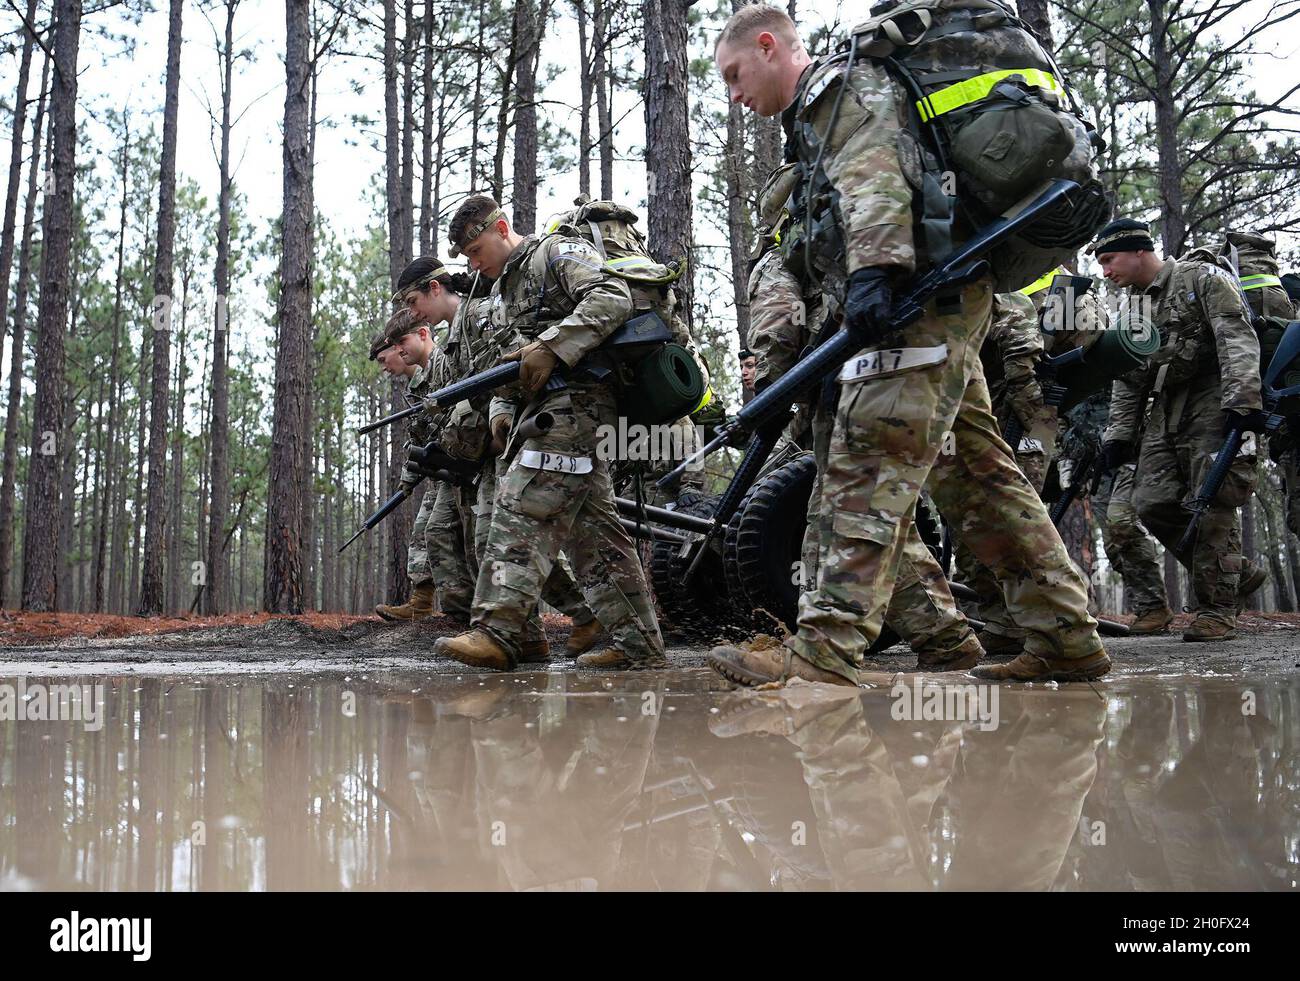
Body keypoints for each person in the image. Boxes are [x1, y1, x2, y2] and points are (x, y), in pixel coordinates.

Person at [706, 3, 1106, 686]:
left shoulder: (833, 90)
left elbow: (873, 172)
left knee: (864, 463)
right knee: (976, 474)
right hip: (935, 298)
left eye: (736, 76)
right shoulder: (815, 115)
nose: (736, 96)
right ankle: (1065, 635)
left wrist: (874, 274)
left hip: (915, 298)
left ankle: (823, 653)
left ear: (770, 46)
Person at [432, 195, 664, 671]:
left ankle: (498, 630)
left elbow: (612, 297)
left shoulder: (555, 252)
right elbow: (506, 362)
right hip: (540, 410)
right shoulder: (498, 293)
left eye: (476, 250)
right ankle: (641, 646)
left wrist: (553, 346)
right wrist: (500, 411)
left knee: (523, 505)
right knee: (594, 537)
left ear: (500, 228)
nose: (473, 263)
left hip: (579, 402)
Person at [393, 254, 605, 660]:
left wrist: (494, 419)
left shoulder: (483, 314)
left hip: (510, 440)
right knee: (488, 542)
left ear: (434, 289)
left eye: (412, 301)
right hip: (482, 450)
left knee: (509, 539)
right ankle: (528, 638)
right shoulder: (454, 337)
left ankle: (580, 615)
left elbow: (511, 374)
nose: (411, 313)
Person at [1097, 218, 1266, 641]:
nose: (1105, 272)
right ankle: (1237, 573)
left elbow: (1236, 336)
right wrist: (1118, 435)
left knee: (1212, 502)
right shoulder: (1131, 308)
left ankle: (1217, 610)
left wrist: (1242, 401)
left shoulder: (1202, 277)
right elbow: (1127, 375)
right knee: (1150, 501)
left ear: (1139, 251)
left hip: (1213, 398)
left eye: (1109, 260)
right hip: (1165, 407)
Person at [374, 307, 477, 623]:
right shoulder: (415, 383)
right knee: (430, 531)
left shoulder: (443, 362)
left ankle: (467, 609)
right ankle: (433, 604)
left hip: (468, 460)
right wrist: (411, 473)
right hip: (448, 464)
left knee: (468, 538)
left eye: (383, 359)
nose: (386, 367)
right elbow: (422, 432)